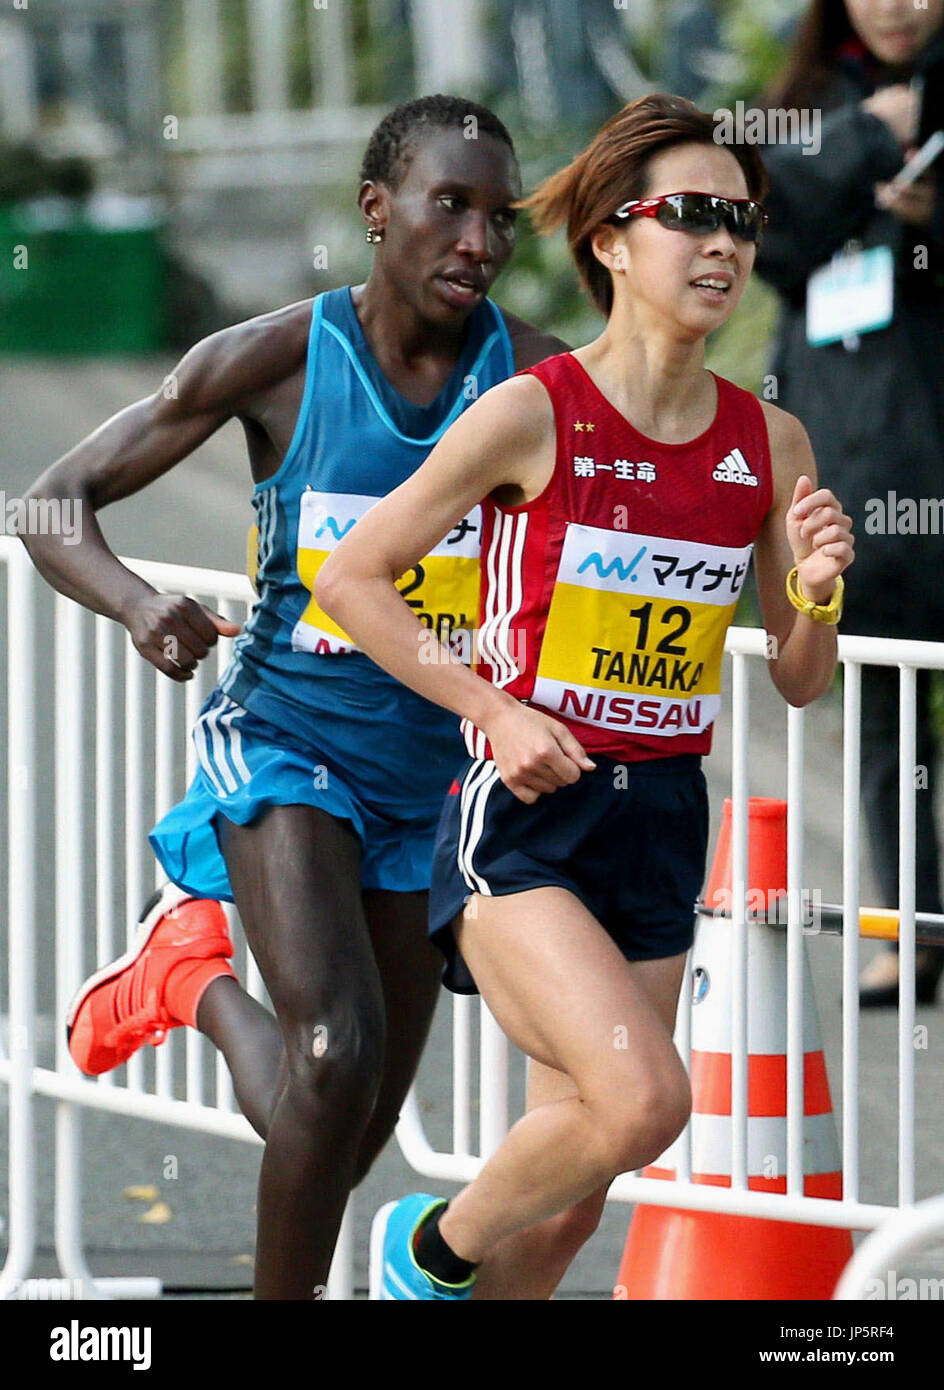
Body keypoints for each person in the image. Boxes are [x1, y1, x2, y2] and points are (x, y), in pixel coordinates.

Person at [18, 94, 579, 1300]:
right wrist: (133, 603)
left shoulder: (534, 378)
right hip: (285, 743)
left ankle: (189, 978)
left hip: (434, 780)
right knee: (335, 1053)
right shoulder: (275, 358)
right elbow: (52, 502)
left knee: (343, 1125)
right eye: (450, 206)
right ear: (376, 212)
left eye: (500, 217)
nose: (478, 240)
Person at [317, 91, 856, 1301]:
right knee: (647, 1096)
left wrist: (814, 590)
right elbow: (354, 580)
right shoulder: (530, 413)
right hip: (525, 817)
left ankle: (466, 1267)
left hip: (658, 822)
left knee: (563, 1217)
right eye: (691, 215)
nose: (724, 243)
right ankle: (422, 1251)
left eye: (743, 221)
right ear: (611, 239)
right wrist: (495, 711)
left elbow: (799, 678)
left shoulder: (768, 445)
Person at [755, 0, 944, 1006]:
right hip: (851, 440)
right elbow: (766, 244)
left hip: (931, 424)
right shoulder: (802, 105)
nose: (898, 8)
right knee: (881, 696)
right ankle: (908, 921)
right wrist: (869, 136)